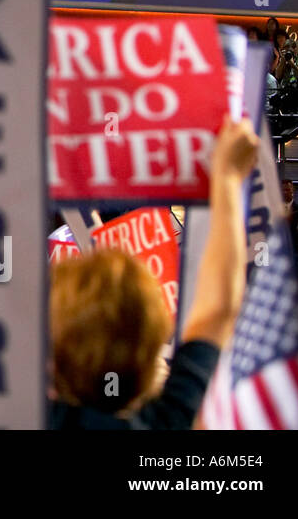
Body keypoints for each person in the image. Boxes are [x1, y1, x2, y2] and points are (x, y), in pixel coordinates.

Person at [49, 116, 258, 429]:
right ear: (149, 353)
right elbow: (216, 311)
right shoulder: (167, 421)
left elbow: (215, 315)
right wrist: (227, 178)